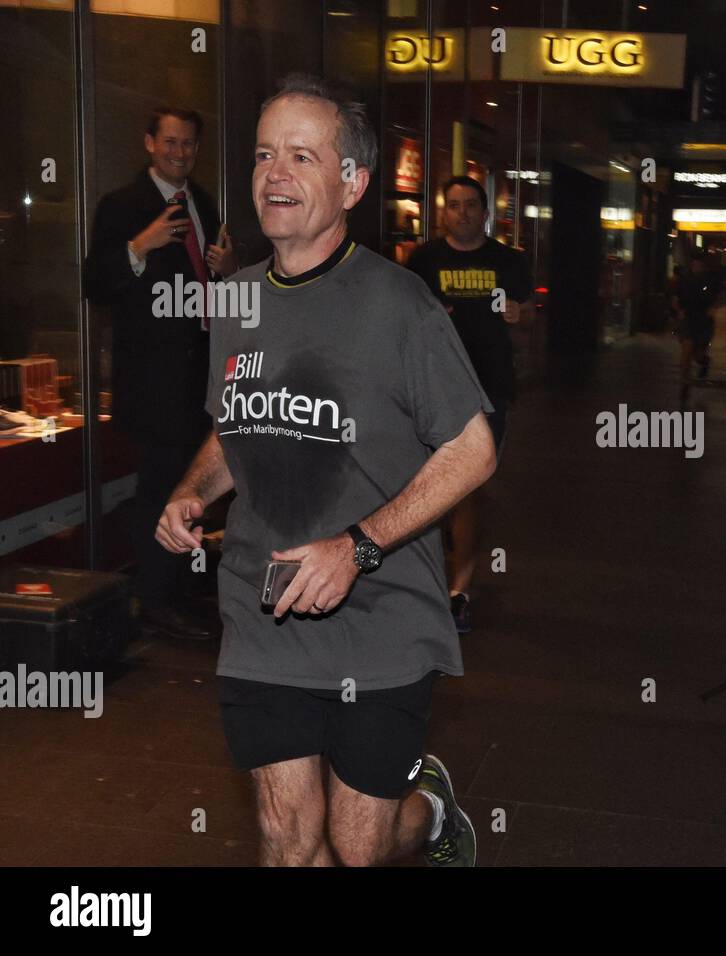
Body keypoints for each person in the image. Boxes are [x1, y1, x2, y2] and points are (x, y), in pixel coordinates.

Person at [155, 74, 496, 867]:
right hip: (261, 602)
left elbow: (474, 449)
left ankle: (433, 819)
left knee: (357, 843)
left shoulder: (398, 305)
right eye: (266, 154)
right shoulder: (236, 300)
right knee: (287, 839)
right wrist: (190, 492)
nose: (276, 174)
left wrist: (358, 547)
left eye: (302, 157)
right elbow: (233, 430)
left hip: (380, 614)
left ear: (352, 183)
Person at [84, 105, 237, 640]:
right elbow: (96, 285)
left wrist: (227, 273)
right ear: (149, 143)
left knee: (193, 483)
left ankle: (179, 587)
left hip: (200, 376)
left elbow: (212, 285)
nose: (180, 153)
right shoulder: (122, 206)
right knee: (160, 487)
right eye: (170, 142)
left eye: (189, 144)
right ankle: (154, 600)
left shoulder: (204, 201)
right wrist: (138, 247)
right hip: (152, 381)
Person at [406, 176, 531, 633]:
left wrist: (522, 316)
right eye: (453, 205)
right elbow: (402, 316)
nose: (462, 213)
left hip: (488, 388)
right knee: (422, 490)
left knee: (466, 491)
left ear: (484, 212)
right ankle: (423, 583)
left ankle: (459, 591)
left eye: (470, 205)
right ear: (443, 212)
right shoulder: (423, 260)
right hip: (430, 386)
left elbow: (528, 313)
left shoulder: (507, 261)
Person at [673, 255, 718, 393]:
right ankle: (684, 378)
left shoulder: (708, 281)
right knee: (686, 350)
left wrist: (711, 310)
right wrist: (679, 310)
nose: (696, 268)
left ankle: (703, 362)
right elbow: (675, 297)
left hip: (702, 321)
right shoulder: (684, 281)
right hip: (688, 319)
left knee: (697, 353)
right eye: (695, 265)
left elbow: (714, 299)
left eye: (699, 265)